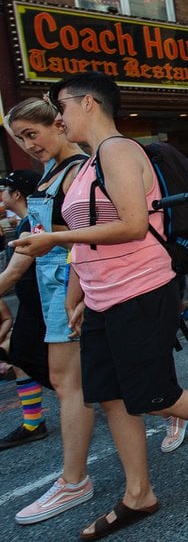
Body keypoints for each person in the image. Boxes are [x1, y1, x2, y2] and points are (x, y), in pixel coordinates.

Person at [10, 72, 188, 540]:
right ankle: (138, 494)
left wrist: (52, 239)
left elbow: (130, 225)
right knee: (111, 396)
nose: (56, 116)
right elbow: (88, 244)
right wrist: (78, 294)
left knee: (155, 395)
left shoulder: (120, 151)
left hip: (142, 290)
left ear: (87, 103)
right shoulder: (87, 165)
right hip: (104, 297)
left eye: (59, 105)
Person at [3, 98, 95, 526]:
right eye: (20, 138)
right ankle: (170, 408)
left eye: (31, 133)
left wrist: (47, 241)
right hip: (52, 283)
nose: (27, 144)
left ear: (57, 124)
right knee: (93, 379)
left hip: (73, 282)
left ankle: (74, 480)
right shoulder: (53, 170)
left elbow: (100, 228)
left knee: (70, 380)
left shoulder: (78, 167)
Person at [0, 169, 49, 452]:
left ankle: (162, 406)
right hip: (35, 308)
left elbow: (13, 274)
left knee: (66, 374)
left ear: (17, 194)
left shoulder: (32, 224)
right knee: (20, 356)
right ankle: (33, 422)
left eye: (5, 189)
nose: (2, 195)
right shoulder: (24, 223)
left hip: (43, 308)